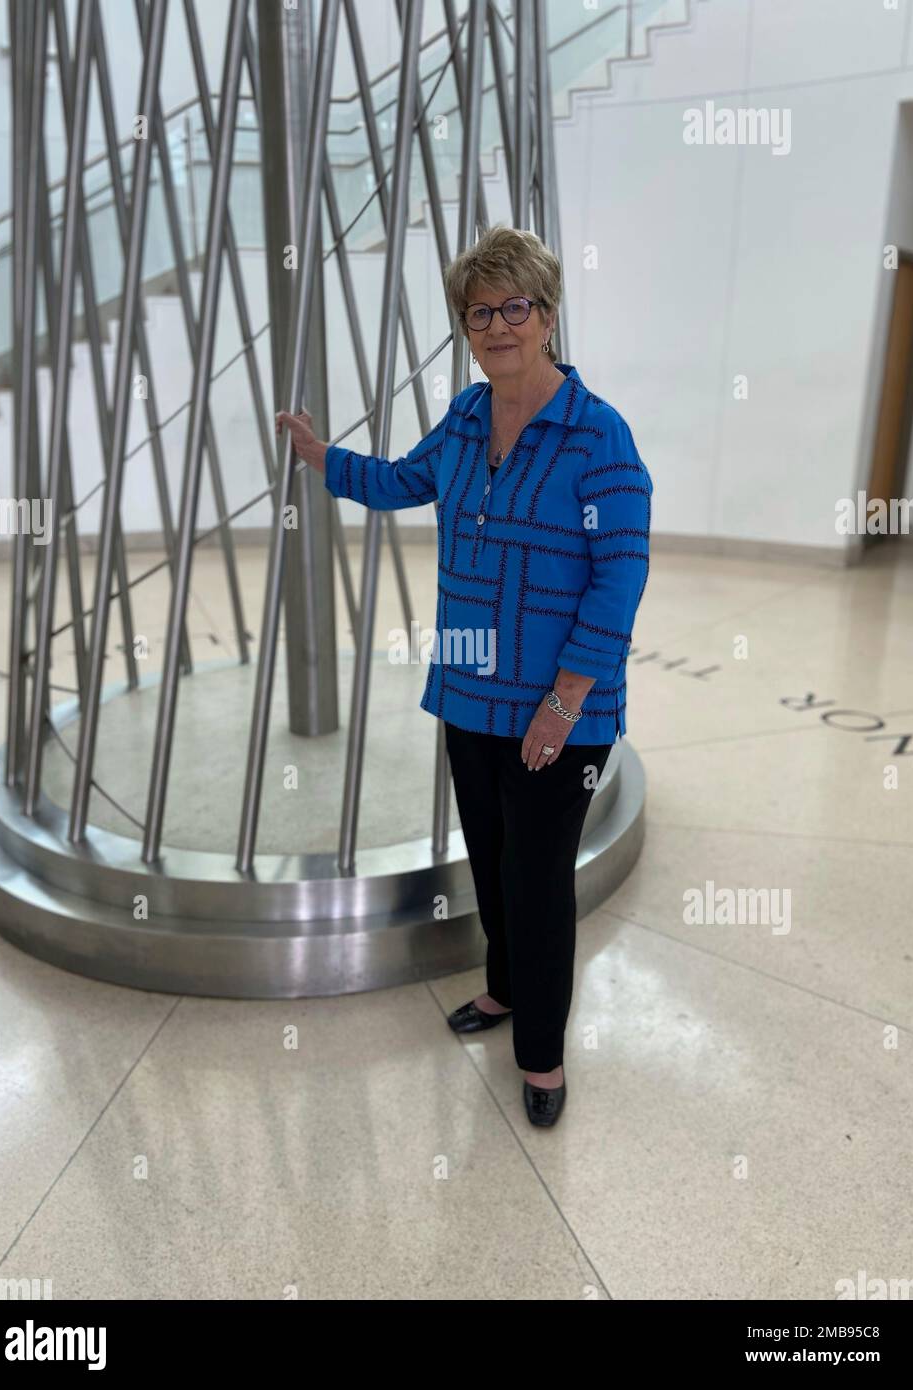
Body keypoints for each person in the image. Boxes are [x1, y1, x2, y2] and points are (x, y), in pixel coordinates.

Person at [276, 224, 652, 1127]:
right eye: (479, 312)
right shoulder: (465, 417)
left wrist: (564, 705)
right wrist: (327, 462)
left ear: (547, 316)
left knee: (539, 880)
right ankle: (502, 989)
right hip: (470, 690)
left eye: (514, 307)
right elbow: (406, 480)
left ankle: (543, 1055)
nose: (496, 326)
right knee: (490, 863)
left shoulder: (596, 436)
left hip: (557, 712)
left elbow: (620, 574)